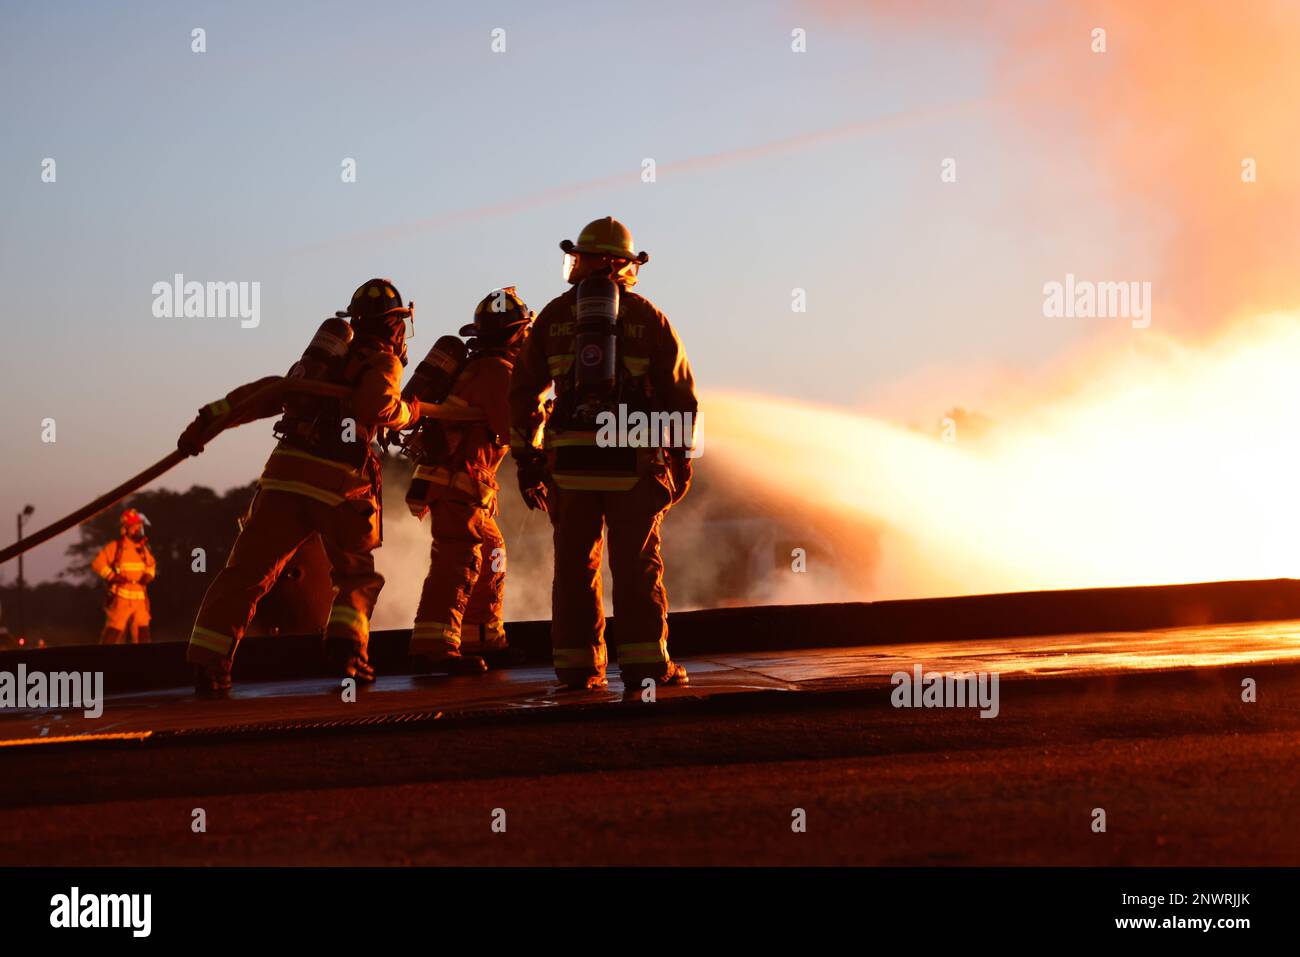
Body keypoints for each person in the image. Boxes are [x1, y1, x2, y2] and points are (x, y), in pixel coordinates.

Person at [177, 278, 418, 697]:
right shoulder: (382, 360)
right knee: (355, 574)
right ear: (393, 326)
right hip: (340, 486)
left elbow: (267, 393)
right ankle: (347, 650)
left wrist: (206, 422)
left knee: (246, 574)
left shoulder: (320, 366)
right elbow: (375, 405)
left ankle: (208, 663)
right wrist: (408, 412)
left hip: (285, 477)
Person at [508, 217, 697, 693]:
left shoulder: (552, 317)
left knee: (574, 566)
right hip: (632, 463)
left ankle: (577, 669)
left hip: (569, 467)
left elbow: (523, 393)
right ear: (624, 266)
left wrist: (527, 458)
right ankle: (647, 668)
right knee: (636, 566)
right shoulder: (648, 317)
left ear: (588, 260)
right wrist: (680, 458)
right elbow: (680, 396)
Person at [406, 287, 534, 673]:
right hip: (457, 483)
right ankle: (435, 648)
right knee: (458, 562)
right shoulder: (497, 373)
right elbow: (513, 431)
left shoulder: (483, 369)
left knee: (491, 556)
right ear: (515, 333)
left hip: (467, 485)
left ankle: (482, 639)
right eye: (526, 332)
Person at [90, 508, 156, 644]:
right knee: (112, 634)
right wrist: (112, 576)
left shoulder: (143, 550)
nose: (138, 529)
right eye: (135, 526)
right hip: (121, 599)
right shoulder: (115, 547)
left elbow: (151, 565)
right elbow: (97, 563)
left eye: (140, 526)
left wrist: (148, 576)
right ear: (126, 529)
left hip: (140, 599)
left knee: (143, 635)